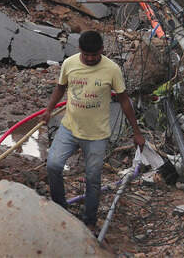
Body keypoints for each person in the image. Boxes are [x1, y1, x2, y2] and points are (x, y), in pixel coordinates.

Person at [41, 30, 145, 229]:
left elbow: (124, 100)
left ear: (102, 51)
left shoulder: (112, 69)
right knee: (53, 165)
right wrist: (48, 110)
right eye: (86, 55)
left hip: (97, 135)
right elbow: (60, 88)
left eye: (94, 55)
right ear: (79, 49)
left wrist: (137, 132)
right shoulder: (69, 64)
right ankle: (60, 209)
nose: (90, 59)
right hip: (70, 128)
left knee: (93, 178)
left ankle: (88, 222)